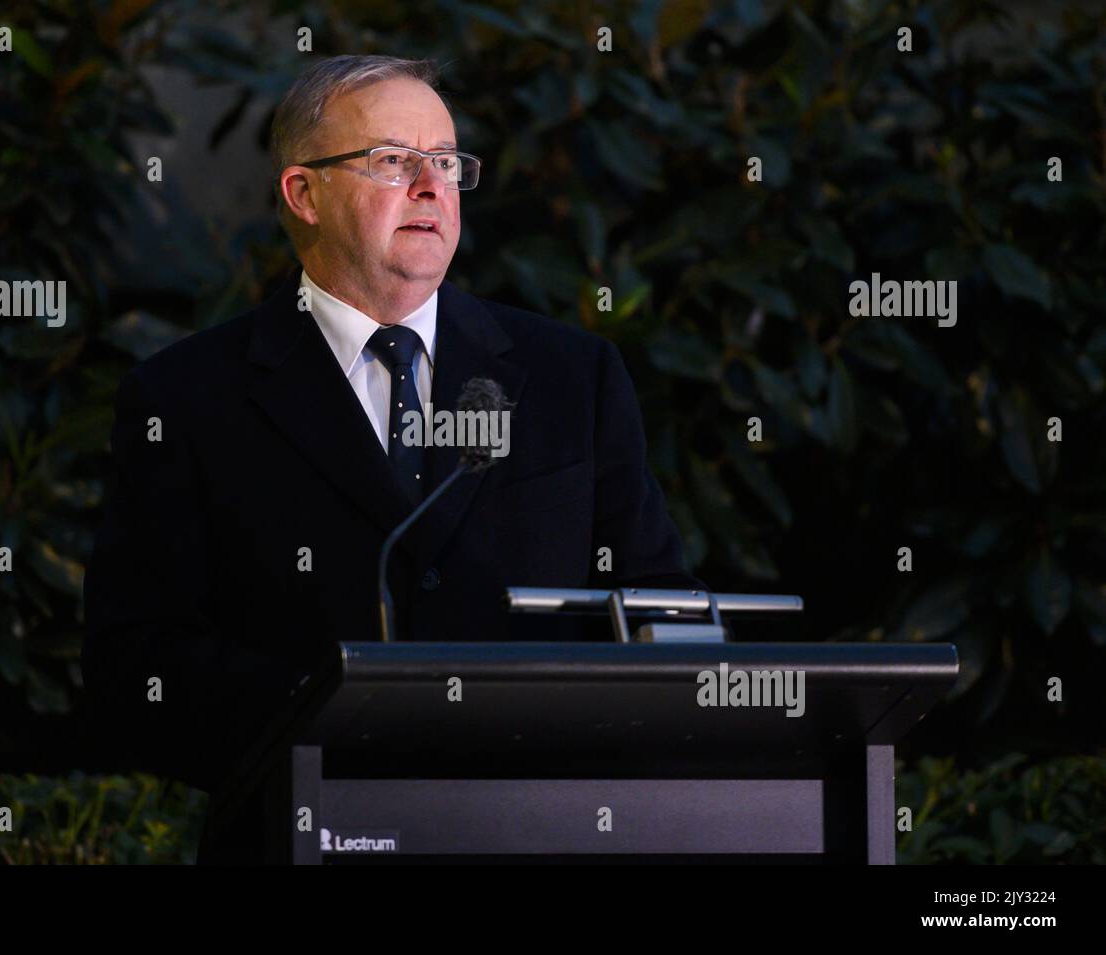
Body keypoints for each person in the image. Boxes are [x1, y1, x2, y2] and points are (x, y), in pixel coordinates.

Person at [81, 54, 705, 862]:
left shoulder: (570, 378)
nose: (430, 186)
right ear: (303, 193)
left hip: (541, 837)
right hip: (300, 836)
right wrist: (334, 720)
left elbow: (660, 610)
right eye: (391, 161)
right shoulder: (186, 399)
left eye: (445, 163)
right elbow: (135, 664)